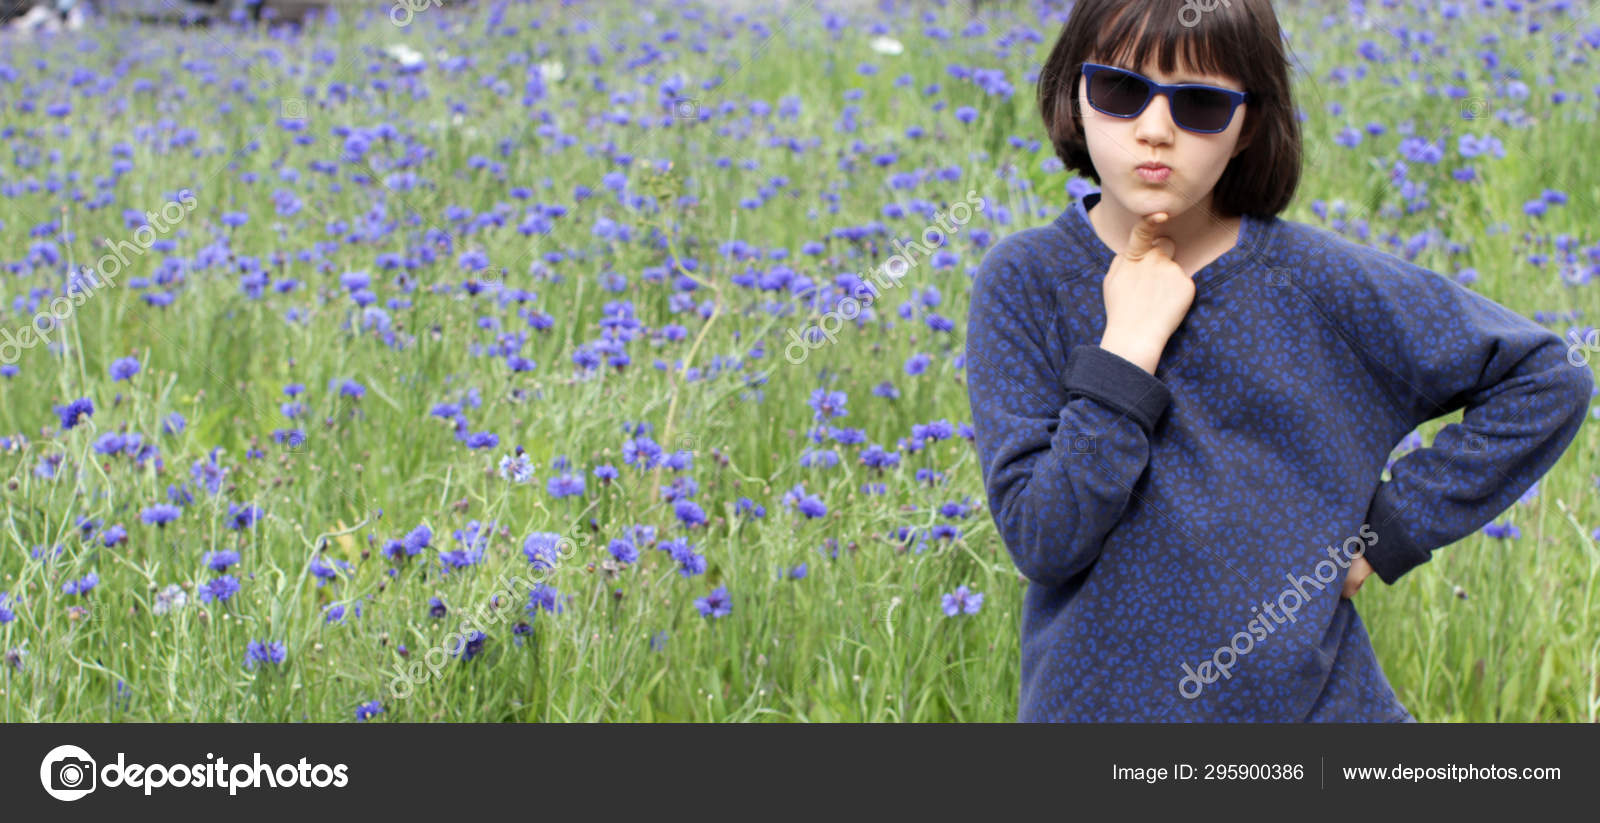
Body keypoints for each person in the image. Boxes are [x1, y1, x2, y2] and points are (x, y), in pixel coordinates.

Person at [965, 0, 1593, 722]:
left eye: (1200, 103)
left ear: (1249, 126)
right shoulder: (1025, 280)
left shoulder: (1317, 283)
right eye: (1119, 89)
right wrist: (1126, 353)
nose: (1153, 129)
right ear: (1075, 95)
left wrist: (1389, 530)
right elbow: (1045, 538)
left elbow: (1548, 377)